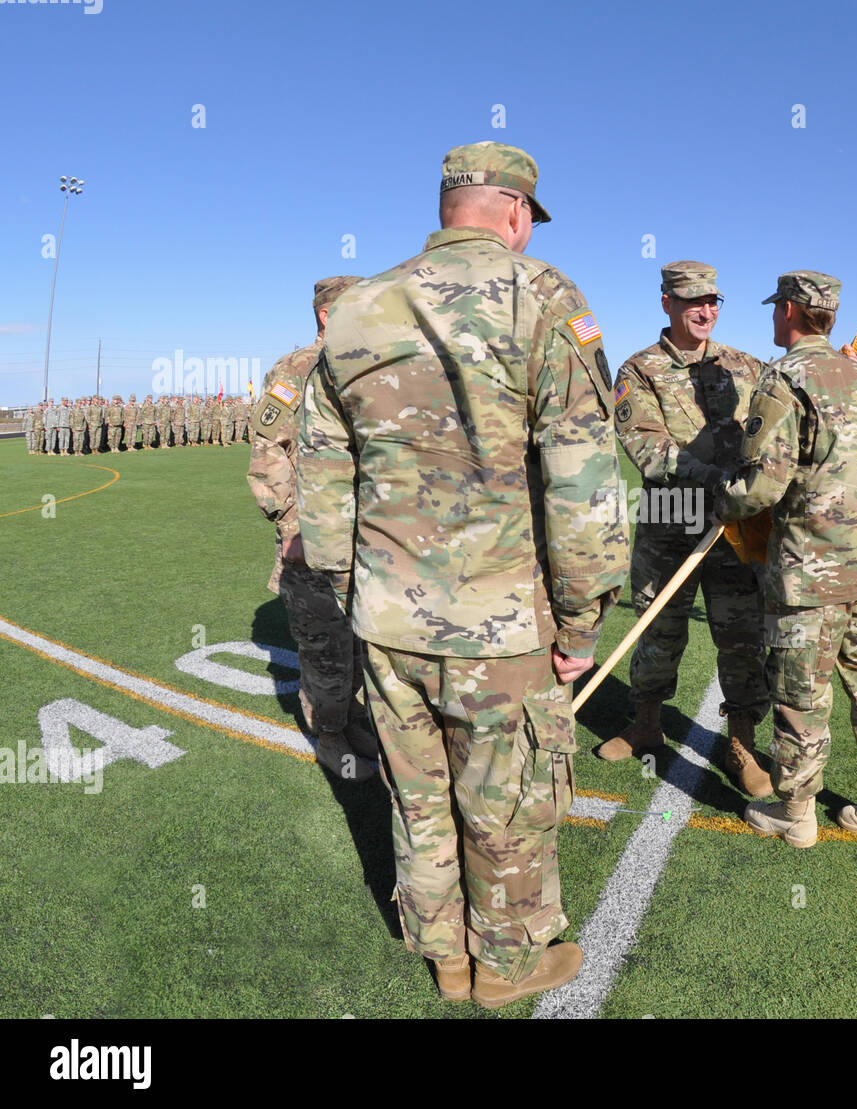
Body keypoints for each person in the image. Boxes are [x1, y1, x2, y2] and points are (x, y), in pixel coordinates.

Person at [297, 141, 628, 1008]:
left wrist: (349, 598)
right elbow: (584, 478)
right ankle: (507, 965)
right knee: (505, 802)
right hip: (502, 622)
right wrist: (583, 624)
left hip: (385, 617)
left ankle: (444, 954)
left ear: (450, 206)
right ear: (517, 213)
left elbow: (323, 487)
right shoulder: (543, 298)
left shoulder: (359, 309)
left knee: (419, 797)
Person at [714, 271, 857, 849]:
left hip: (807, 576)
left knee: (800, 697)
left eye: (776, 309)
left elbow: (762, 486)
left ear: (789, 310)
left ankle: (796, 813)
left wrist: (720, 500)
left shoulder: (783, 378)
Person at [599, 260, 771, 797]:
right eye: (693, 301)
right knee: (659, 629)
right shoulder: (637, 370)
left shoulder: (748, 367)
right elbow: (648, 450)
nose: (705, 311)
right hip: (670, 522)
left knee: (742, 637)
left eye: (713, 301)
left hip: (735, 530)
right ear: (667, 304)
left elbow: (781, 429)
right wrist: (717, 480)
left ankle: (740, 740)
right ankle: (646, 724)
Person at [247, 275, 378, 784]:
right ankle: (330, 735)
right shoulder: (297, 369)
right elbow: (266, 451)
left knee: (362, 640)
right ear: (327, 314)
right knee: (324, 643)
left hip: (367, 534)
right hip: (313, 534)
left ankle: (355, 721)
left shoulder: (370, 366)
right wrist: (289, 525)